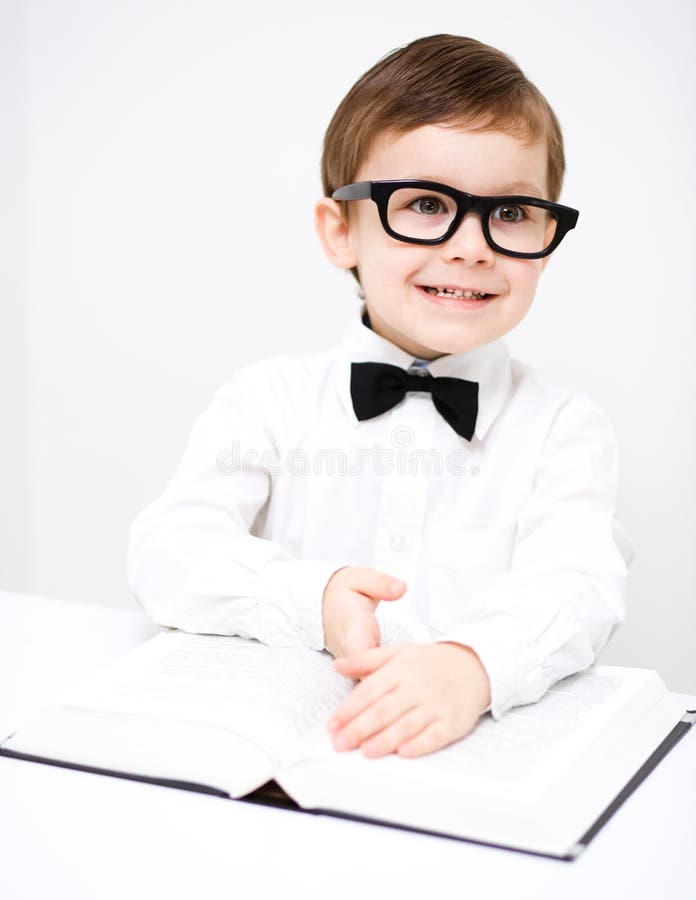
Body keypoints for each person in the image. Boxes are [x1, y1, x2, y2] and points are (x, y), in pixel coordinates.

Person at [127, 34, 630, 761]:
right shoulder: (266, 400)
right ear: (341, 230)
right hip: (284, 754)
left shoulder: (565, 429)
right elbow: (168, 550)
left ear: (548, 239)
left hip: (468, 764)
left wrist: (474, 665)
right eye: (426, 204)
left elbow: (578, 584)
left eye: (513, 212)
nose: (472, 246)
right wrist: (315, 600)